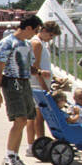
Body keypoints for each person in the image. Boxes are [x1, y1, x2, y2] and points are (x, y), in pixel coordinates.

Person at [0, 15, 42, 165]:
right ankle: (8, 156)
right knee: (19, 119)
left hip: (24, 82)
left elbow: (29, 66)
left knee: (24, 120)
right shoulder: (8, 42)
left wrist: (41, 72)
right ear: (28, 27)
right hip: (11, 83)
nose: (35, 34)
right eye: (35, 30)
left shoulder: (27, 44)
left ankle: (14, 155)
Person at [25, 20, 58, 155]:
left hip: (39, 84)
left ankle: (37, 143)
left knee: (38, 116)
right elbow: (35, 68)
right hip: (37, 85)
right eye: (51, 35)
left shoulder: (41, 43)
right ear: (43, 30)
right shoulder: (37, 43)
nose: (51, 39)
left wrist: (54, 78)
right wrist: (45, 86)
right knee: (35, 117)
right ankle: (34, 145)